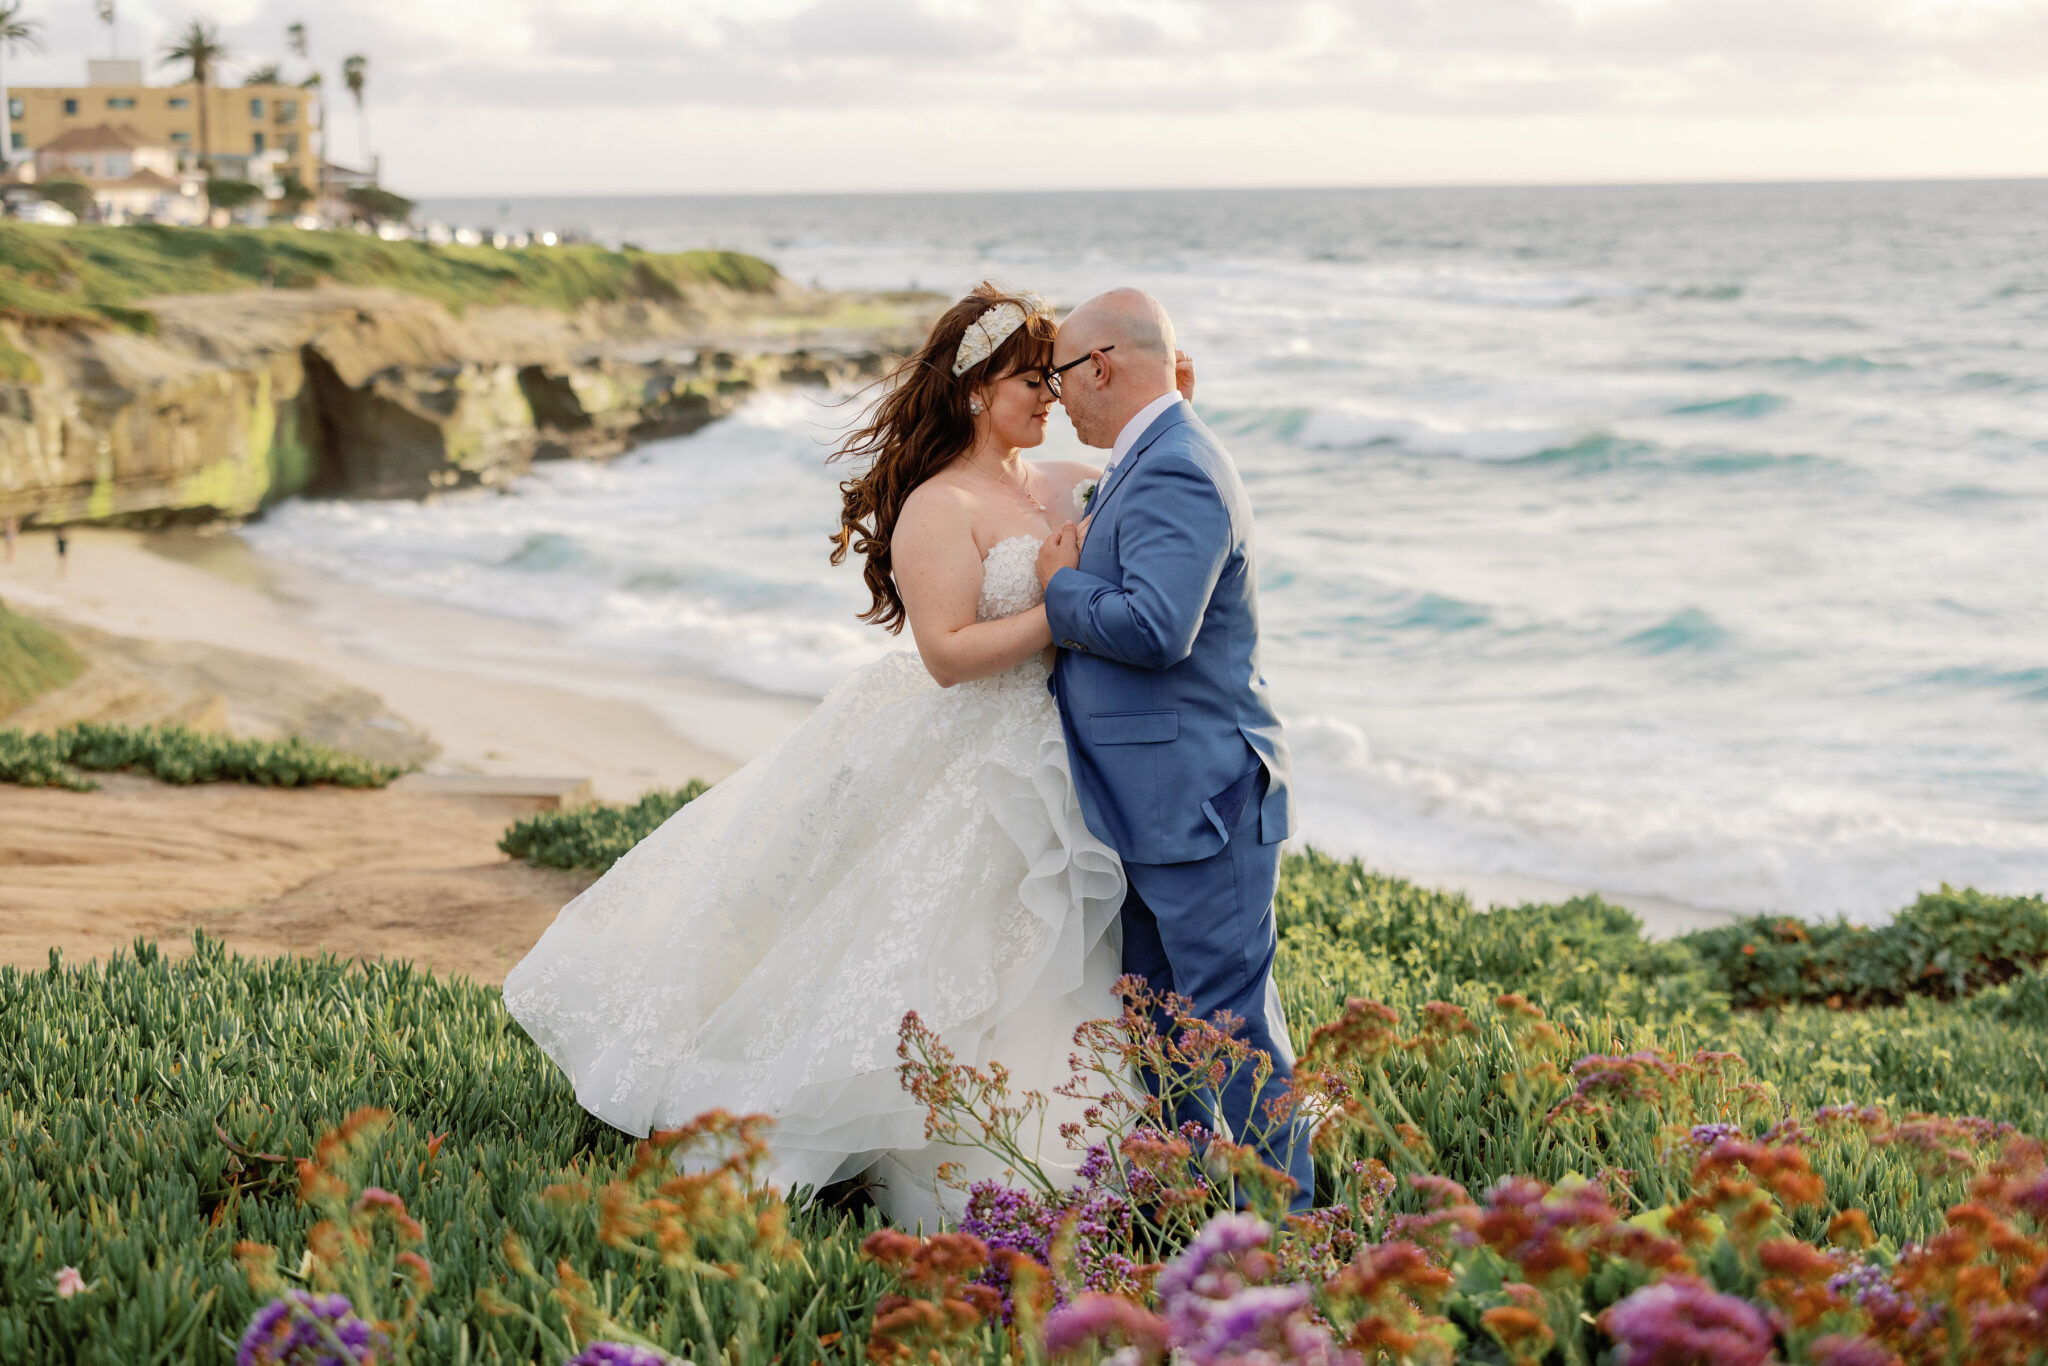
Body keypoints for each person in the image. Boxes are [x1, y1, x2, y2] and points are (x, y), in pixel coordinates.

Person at [504, 283, 1163, 1227]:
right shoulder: (939, 506)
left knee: (1053, 948)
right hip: (978, 748)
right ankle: (945, 1155)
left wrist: (1169, 400)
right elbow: (946, 655)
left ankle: (1085, 1142)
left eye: (1053, 381)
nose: (1051, 397)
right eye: (1032, 382)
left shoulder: (1053, 483)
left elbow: (1145, 485)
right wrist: (1057, 607)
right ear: (978, 388)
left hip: (1056, 747)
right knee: (949, 948)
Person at [1035, 288, 1314, 1212]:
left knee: (1235, 1035)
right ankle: (1194, 1213)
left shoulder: (1177, 467)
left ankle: (1293, 1234)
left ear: (1099, 367)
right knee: (1160, 1029)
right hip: (1152, 804)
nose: (1057, 402)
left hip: (1202, 802)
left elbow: (1158, 630)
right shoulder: (1148, 457)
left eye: (1058, 380)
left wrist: (1060, 586)